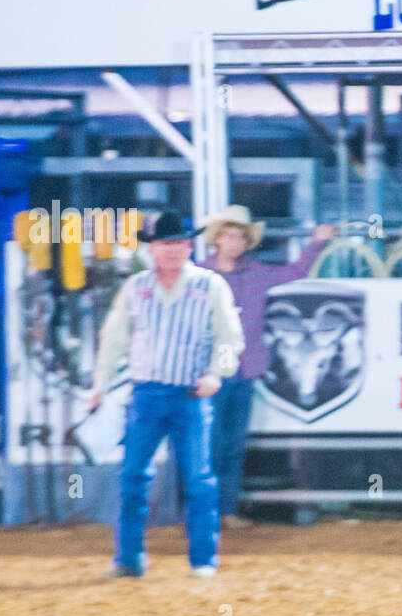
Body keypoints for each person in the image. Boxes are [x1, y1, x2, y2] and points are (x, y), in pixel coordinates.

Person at [91, 211, 244, 578]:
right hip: (146, 394)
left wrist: (216, 373)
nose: (172, 250)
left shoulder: (210, 286)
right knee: (133, 476)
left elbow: (230, 338)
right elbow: (114, 340)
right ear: (153, 248)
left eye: (178, 243)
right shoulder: (136, 288)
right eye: (165, 244)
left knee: (198, 479)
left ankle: (203, 559)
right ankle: (129, 558)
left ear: (189, 247)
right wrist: (99, 384)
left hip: (190, 394)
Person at [197, 204, 335, 529]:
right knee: (211, 445)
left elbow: (296, 271)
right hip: (212, 372)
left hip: (240, 371)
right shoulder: (200, 278)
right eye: (229, 236)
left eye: (240, 237)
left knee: (230, 446)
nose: (235, 242)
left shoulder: (251, 273)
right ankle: (205, 512)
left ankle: (223, 511)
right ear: (217, 240)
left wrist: (316, 244)